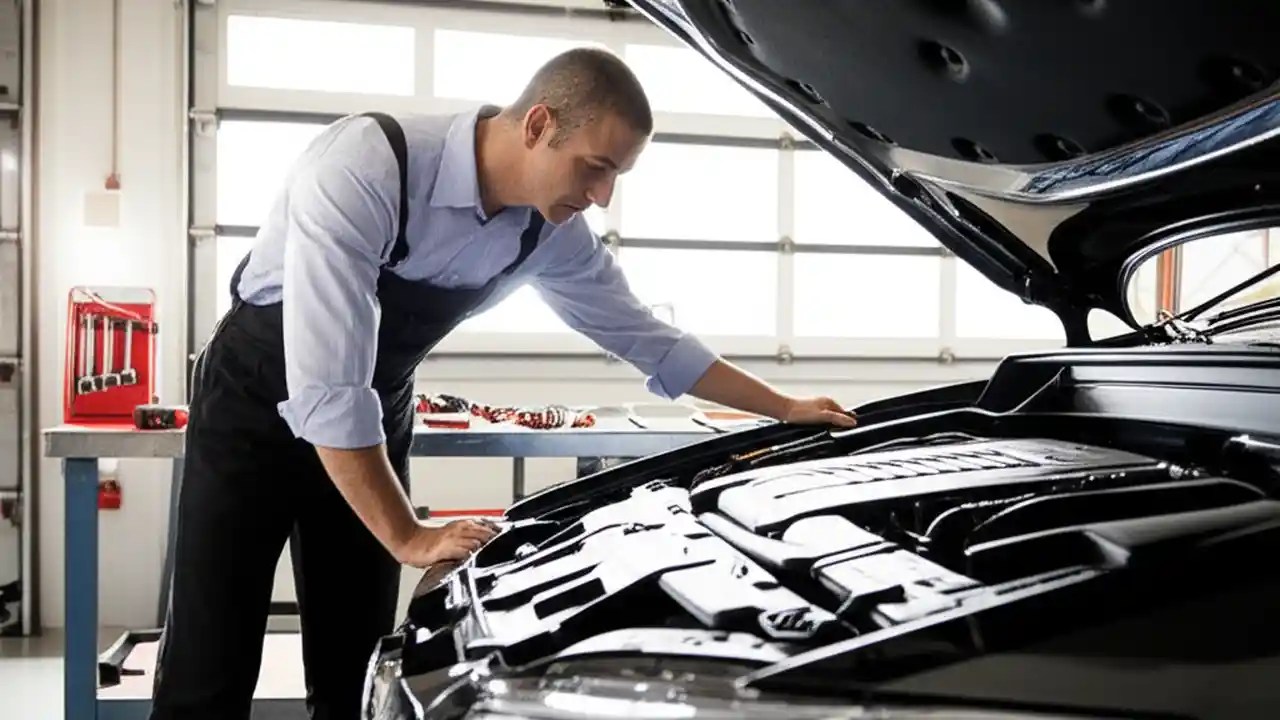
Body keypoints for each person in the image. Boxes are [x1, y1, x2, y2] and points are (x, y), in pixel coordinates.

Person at [150, 47, 856, 719]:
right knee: (209, 668)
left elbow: (646, 338)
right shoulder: (366, 166)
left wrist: (784, 407)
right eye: (596, 167)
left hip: (373, 410)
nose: (603, 196)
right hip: (253, 410)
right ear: (540, 125)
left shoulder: (548, 232)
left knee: (356, 669)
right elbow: (327, 381)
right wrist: (406, 534)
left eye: (618, 177)